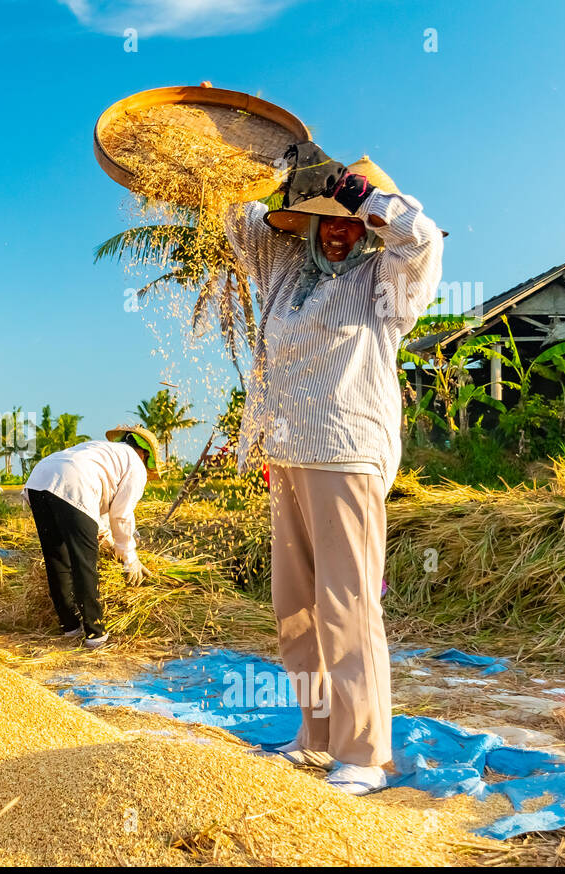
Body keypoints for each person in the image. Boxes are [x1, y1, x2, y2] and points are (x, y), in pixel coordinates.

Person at [223, 145, 443, 796]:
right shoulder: (284, 269)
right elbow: (237, 213)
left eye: (353, 222)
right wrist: (241, 146)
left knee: (345, 605)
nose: (342, 233)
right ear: (311, 226)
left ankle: (365, 753)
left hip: (347, 455)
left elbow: (421, 238)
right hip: (286, 455)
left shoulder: (383, 284)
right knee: (295, 608)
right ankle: (315, 736)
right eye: (330, 221)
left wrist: (364, 198)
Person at [23, 426, 158, 649]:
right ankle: (96, 635)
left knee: (57, 557)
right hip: (73, 484)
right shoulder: (135, 465)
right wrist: (129, 557)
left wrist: (110, 542)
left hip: (39, 479)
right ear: (145, 454)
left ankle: (69, 627)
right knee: (84, 562)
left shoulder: (104, 451)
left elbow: (98, 515)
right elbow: (121, 514)